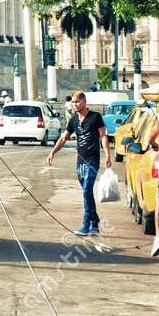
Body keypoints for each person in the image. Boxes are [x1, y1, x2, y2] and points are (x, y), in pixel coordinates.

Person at [47, 90, 115, 236]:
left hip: (92, 161)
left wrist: (108, 155)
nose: (74, 104)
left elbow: (103, 136)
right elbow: (63, 138)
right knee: (86, 192)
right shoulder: (73, 120)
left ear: (84, 102)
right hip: (80, 162)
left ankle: (86, 223)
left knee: (86, 190)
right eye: (73, 102)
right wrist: (52, 152)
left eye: (77, 101)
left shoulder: (95, 117)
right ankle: (94, 222)